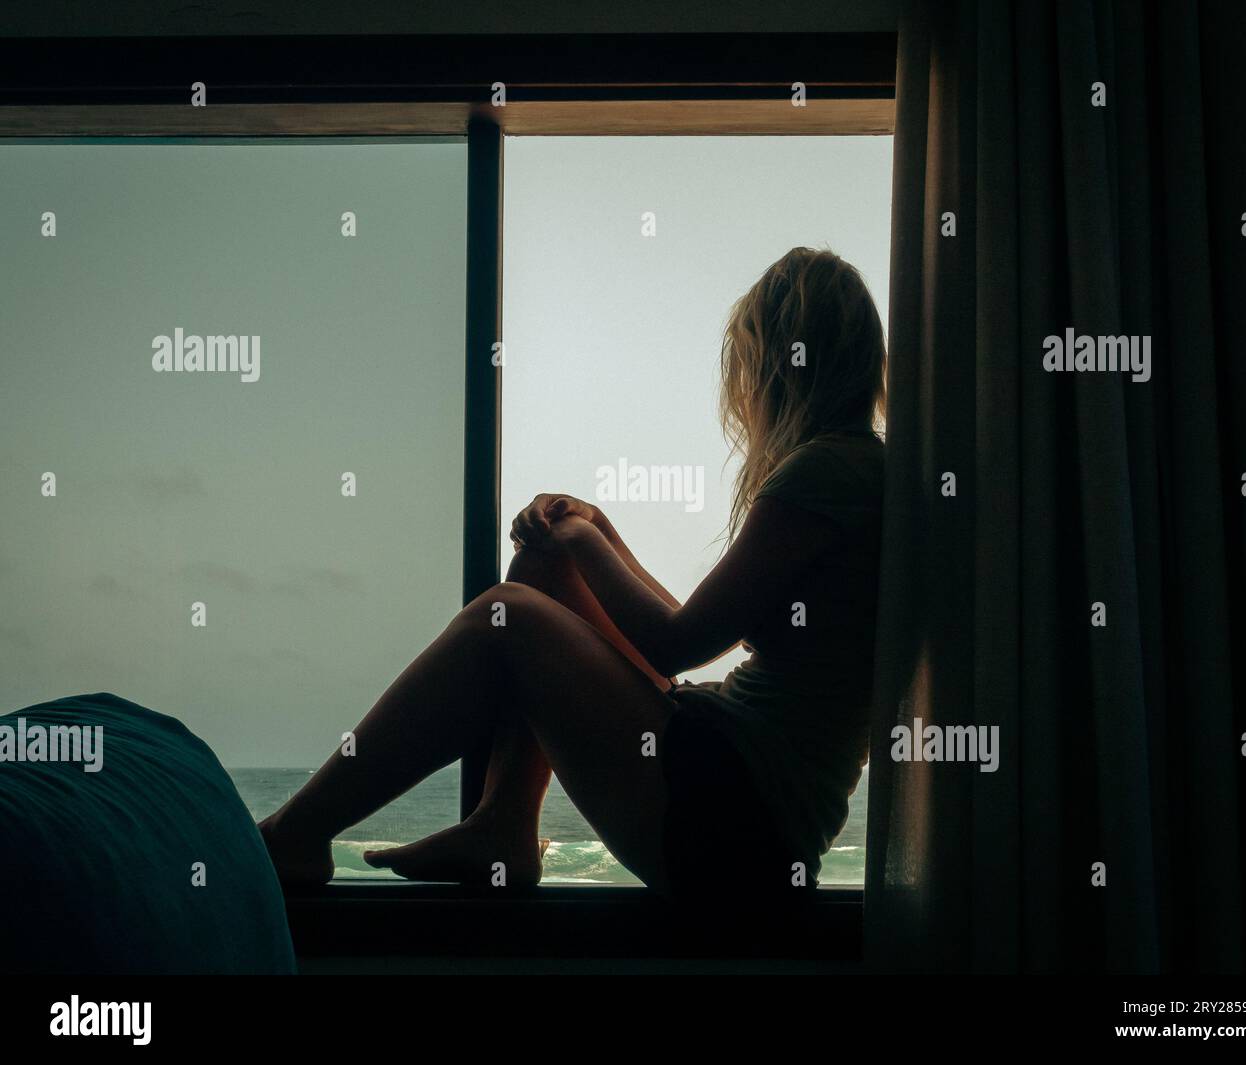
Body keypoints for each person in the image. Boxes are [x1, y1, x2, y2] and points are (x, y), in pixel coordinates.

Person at [258, 246, 886, 901]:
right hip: (732, 788)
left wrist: (586, 537)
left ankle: (296, 831)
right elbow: (692, 626)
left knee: (503, 619)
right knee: (543, 563)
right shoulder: (853, 469)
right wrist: (595, 530)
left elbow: (676, 643)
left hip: (737, 820)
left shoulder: (825, 474)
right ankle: (502, 823)